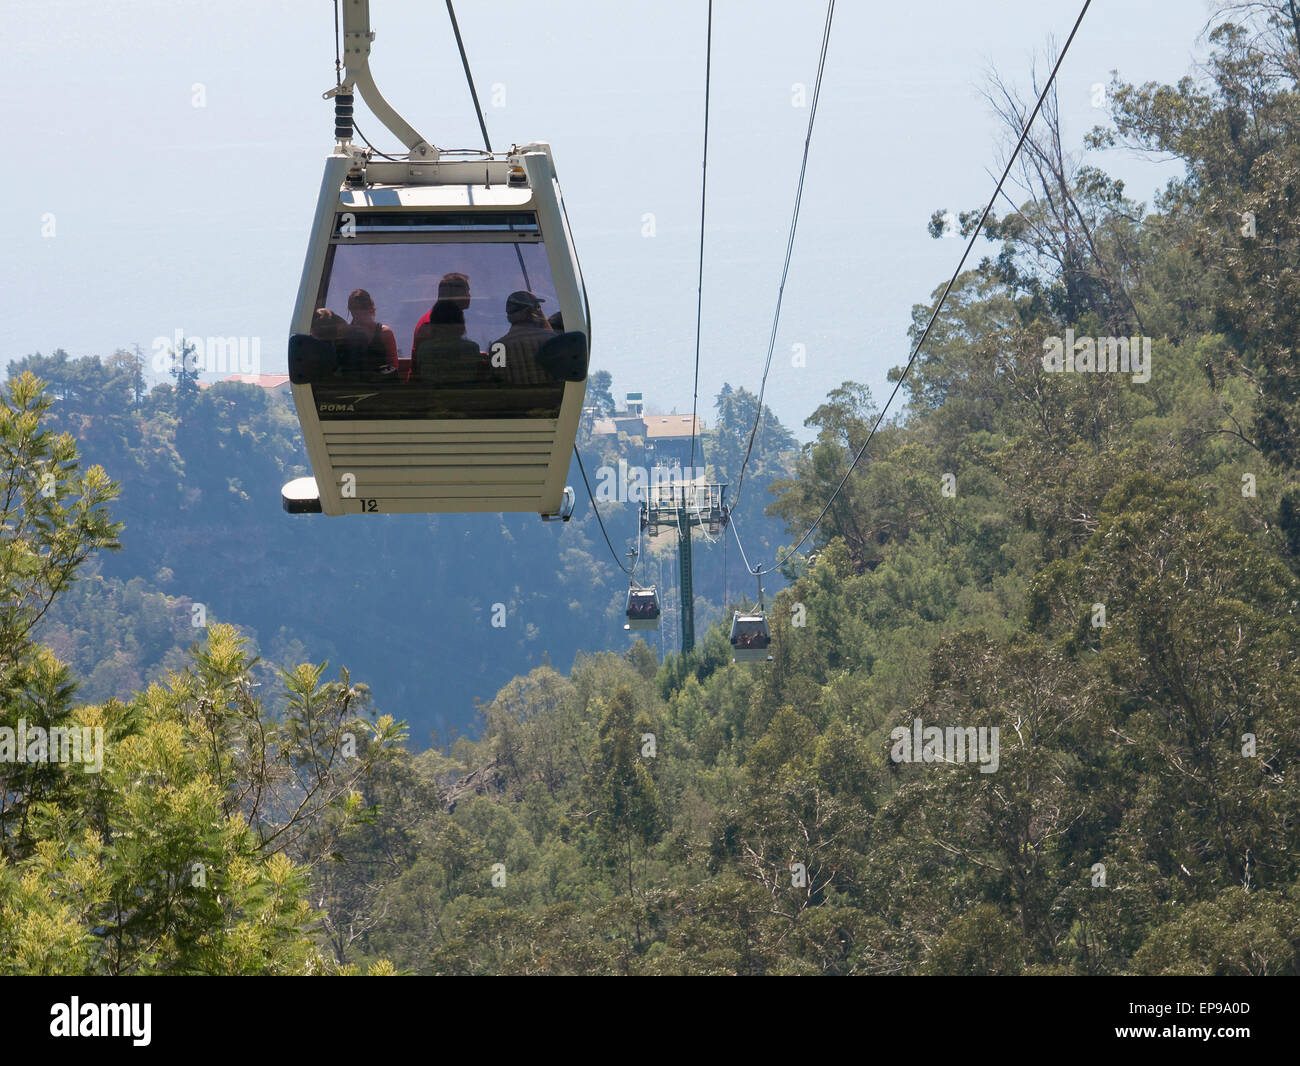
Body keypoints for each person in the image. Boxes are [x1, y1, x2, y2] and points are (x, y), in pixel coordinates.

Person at [490, 291, 556, 386]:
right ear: (530, 311)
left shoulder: (497, 347)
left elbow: (498, 381)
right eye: (537, 307)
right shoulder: (550, 339)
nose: (539, 311)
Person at [412, 300, 483, 384]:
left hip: (433, 396)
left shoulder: (424, 349)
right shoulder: (472, 348)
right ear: (460, 323)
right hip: (464, 396)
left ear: (434, 324)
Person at [337, 289, 398, 380]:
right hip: (352, 386)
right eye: (354, 308)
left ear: (370, 308)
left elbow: (394, 367)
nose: (358, 312)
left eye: (362, 308)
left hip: (380, 386)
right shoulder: (345, 333)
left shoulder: (384, 333)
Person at [411, 273, 471, 357]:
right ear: (456, 295)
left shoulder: (439, 321)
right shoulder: (430, 325)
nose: (469, 296)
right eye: (467, 291)